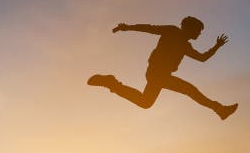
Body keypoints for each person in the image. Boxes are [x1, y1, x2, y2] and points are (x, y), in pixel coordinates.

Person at [87, 16, 238, 120]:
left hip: (158, 75)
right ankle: (220, 110)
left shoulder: (186, 45)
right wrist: (128, 27)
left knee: (145, 103)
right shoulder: (172, 31)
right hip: (157, 73)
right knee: (190, 90)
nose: (199, 33)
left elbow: (202, 58)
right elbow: (150, 29)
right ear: (190, 29)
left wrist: (217, 46)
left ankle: (112, 83)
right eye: (198, 30)